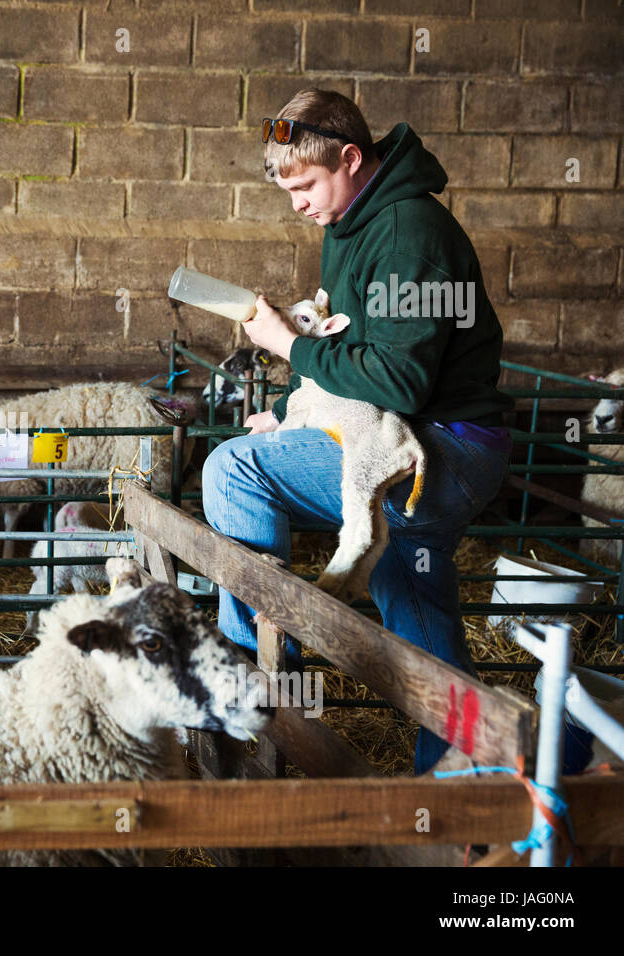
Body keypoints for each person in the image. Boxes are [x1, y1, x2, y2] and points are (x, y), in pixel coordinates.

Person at [199, 89, 515, 774]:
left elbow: (399, 382)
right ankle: (463, 766)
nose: (299, 204)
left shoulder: (408, 233)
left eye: (307, 185)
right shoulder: (349, 225)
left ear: (350, 157)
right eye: (288, 190)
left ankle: (256, 681)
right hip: (408, 437)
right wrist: (285, 414)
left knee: (234, 470)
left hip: (445, 448)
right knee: (412, 594)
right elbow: (348, 357)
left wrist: (285, 346)